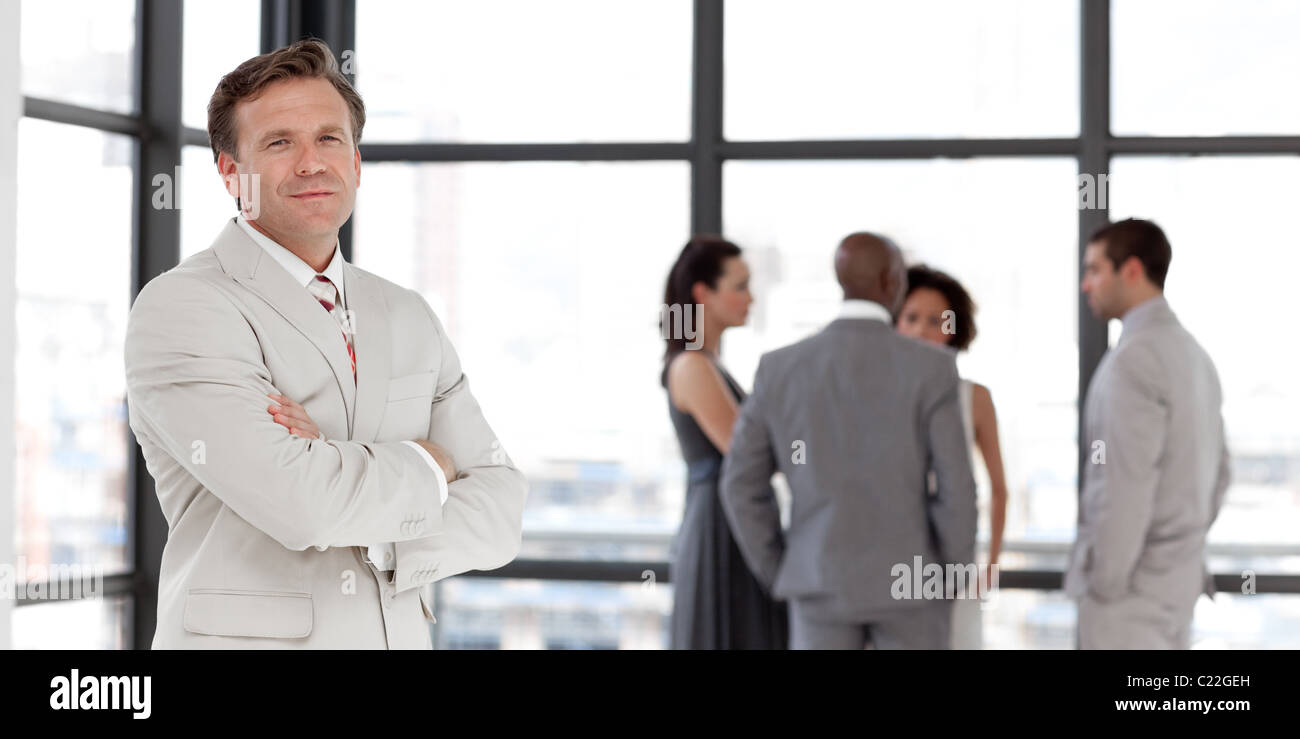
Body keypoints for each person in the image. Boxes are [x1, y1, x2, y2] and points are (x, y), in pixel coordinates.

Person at [124, 40, 527, 649]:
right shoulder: (183, 307)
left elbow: (501, 512)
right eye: (280, 143)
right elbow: (301, 506)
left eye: (329, 139)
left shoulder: (407, 313)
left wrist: (352, 489)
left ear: (357, 162)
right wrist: (431, 463)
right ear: (232, 173)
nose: (312, 164)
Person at [720, 232, 976, 649]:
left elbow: (740, 483)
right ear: (893, 281)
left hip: (818, 579)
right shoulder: (932, 369)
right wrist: (947, 576)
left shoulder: (780, 368)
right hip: (912, 584)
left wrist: (783, 566)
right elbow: (957, 488)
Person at [1067, 218, 1230, 649]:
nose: (1086, 285)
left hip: (1128, 603)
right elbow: (1220, 475)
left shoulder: (1133, 361)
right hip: (1176, 589)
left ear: (1132, 270)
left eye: (1095, 270)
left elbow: (1122, 486)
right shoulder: (1195, 356)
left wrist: (1105, 583)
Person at [660, 235, 788, 649]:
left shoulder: (707, 363)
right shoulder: (693, 365)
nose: (750, 298)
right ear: (703, 294)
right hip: (721, 523)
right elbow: (749, 451)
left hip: (728, 517)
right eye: (740, 286)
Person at [896, 265, 1009, 649]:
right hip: (889, 565)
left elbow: (999, 489)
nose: (920, 330)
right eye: (910, 318)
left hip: (955, 565)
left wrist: (990, 565)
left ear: (953, 329)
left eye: (935, 320)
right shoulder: (877, 397)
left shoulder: (974, 398)